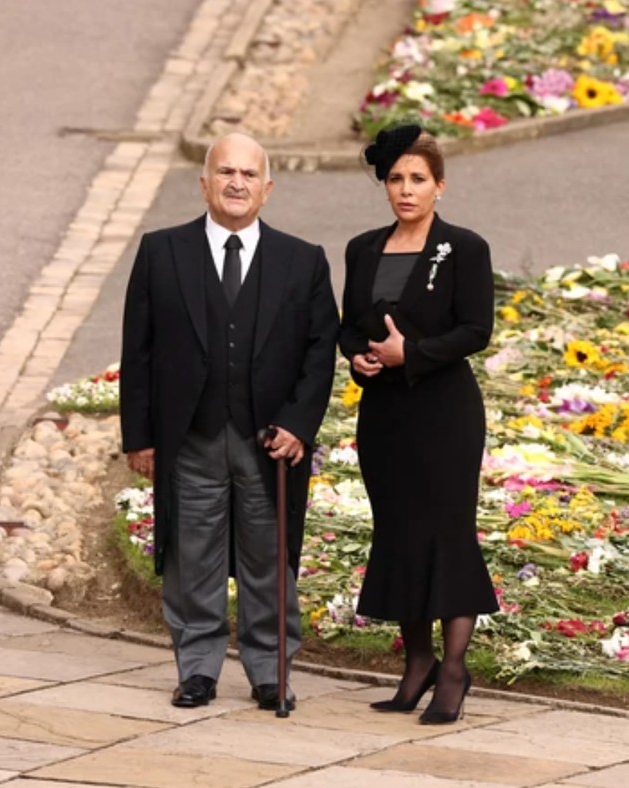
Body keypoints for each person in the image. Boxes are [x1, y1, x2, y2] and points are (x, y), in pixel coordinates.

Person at [120, 132, 339, 710]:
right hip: (190, 437)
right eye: (225, 173)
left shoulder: (303, 260)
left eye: (248, 175)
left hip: (269, 441)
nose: (236, 183)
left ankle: (271, 672)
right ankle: (198, 669)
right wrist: (138, 436)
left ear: (267, 189)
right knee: (193, 557)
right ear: (205, 183)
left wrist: (297, 423)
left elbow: (321, 352)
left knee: (269, 558)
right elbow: (137, 349)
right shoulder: (161, 252)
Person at [340, 124, 498, 725]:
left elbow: (475, 330)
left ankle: (454, 671)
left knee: (447, 533)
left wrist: (416, 354)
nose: (406, 190)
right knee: (400, 532)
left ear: (440, 186)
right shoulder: (362, 248)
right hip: (385, 414)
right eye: (397, 179)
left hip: (445, 414)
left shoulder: (464, 248)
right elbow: (350, 325)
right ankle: (417, 663)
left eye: (418, 179)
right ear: (386, 185)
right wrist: (356, 355)